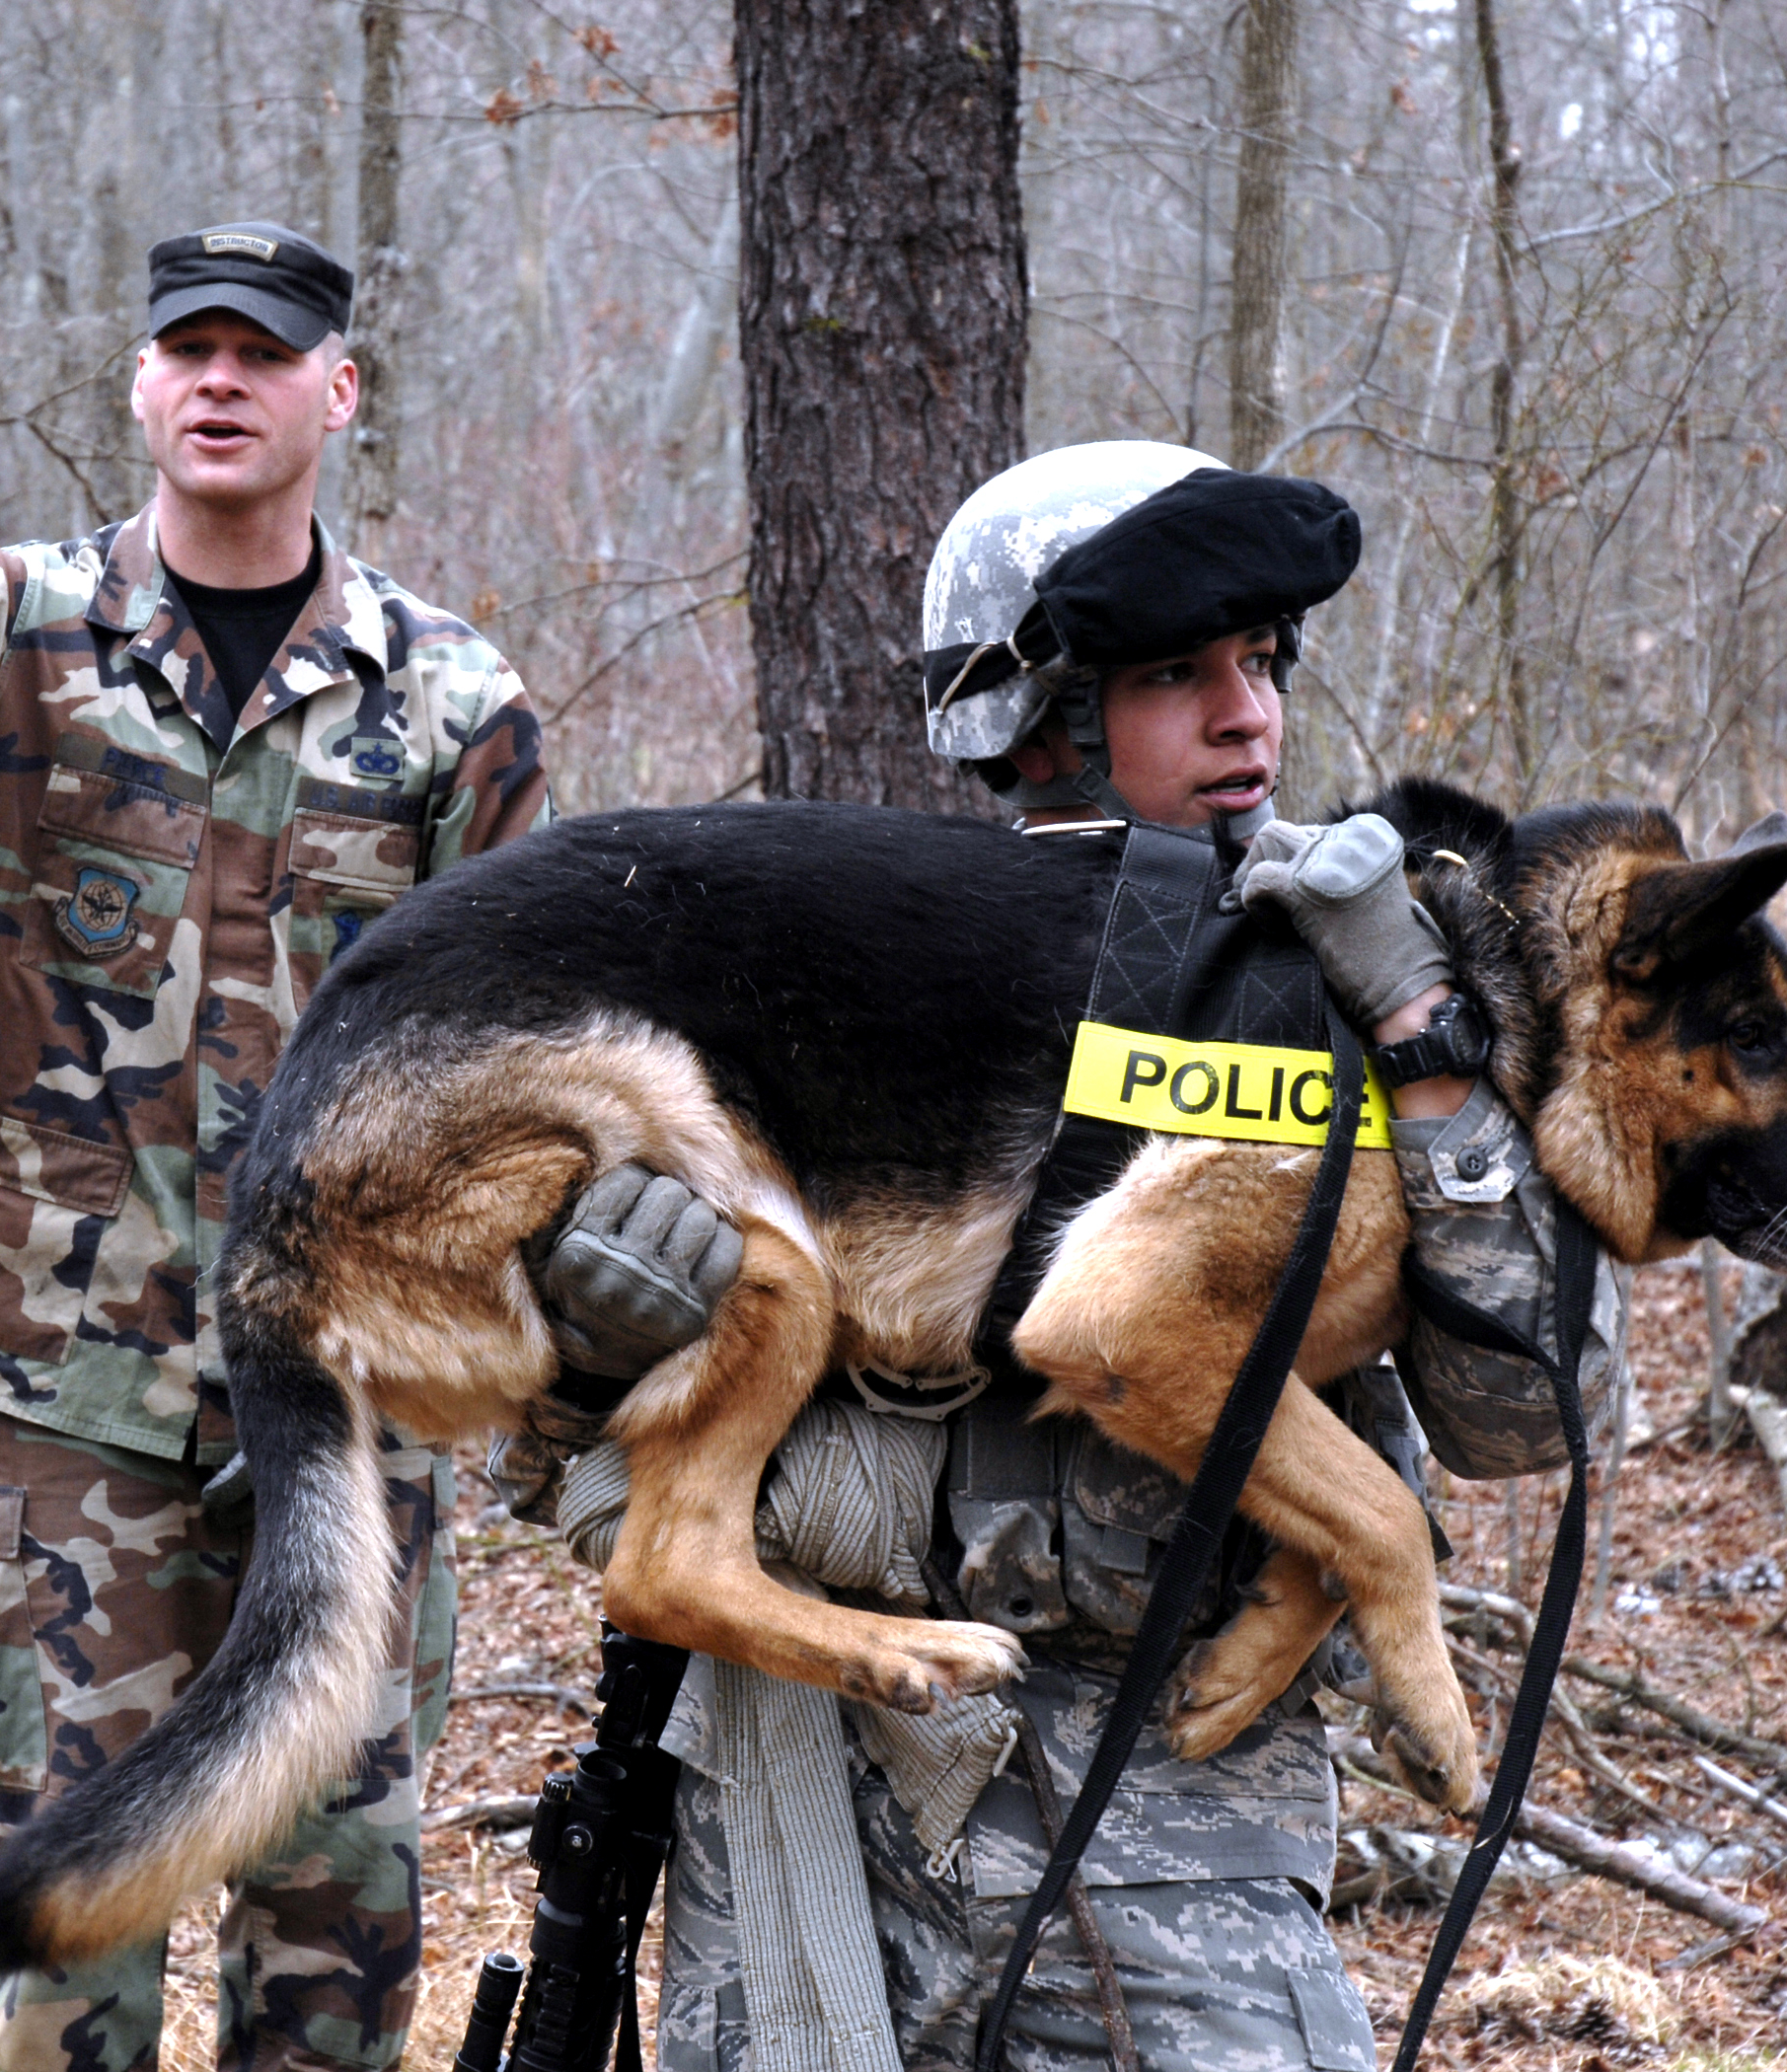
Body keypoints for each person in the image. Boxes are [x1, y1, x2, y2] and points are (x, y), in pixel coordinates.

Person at [0, 198, 732, 2072]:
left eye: (265, 354)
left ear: (337, 392)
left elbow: (529, 1062)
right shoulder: (17, 632)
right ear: (140, 385)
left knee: (335, 1945)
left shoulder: (455, 706)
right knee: (65, 1961)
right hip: (68, 1401)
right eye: (192, 350)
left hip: (355, 1408)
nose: (224, 382)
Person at [501, 441, 1621, 2072]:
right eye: (1178, 673)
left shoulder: (1369, 973)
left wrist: (1433, 1065)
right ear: (1026, 714)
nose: (1249, 715)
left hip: (1174, 1828)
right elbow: (535, 1459)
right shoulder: (807, 969)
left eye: (1266, 665)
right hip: (809, 1809)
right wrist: (595, 1346)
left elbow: (1530, 1419)